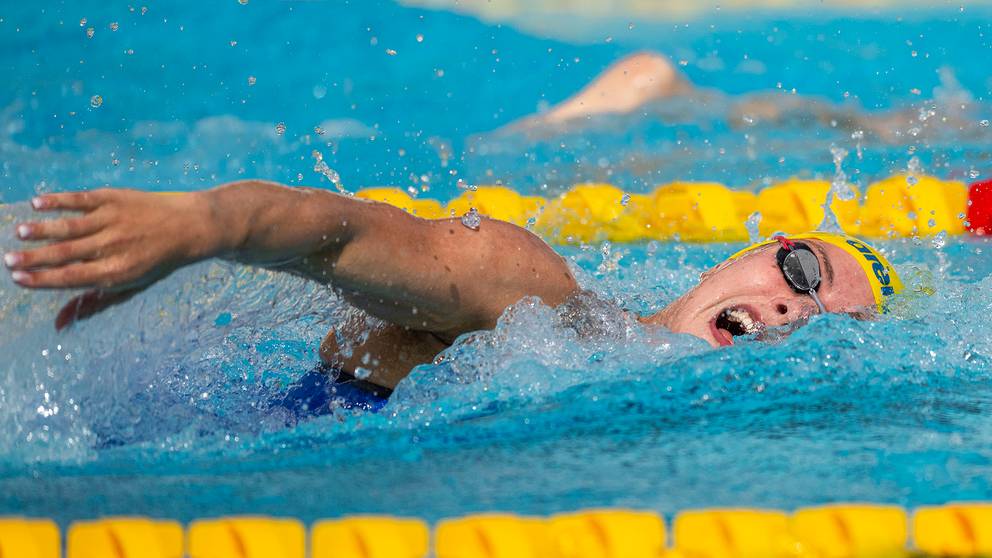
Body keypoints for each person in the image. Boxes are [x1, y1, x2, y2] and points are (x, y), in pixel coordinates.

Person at [5, 181, 901, 414]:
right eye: (803, 277)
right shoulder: (541, 302)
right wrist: (204, 226)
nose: (796, 312)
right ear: (755, 253)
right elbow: (345, 232)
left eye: (829, 328)